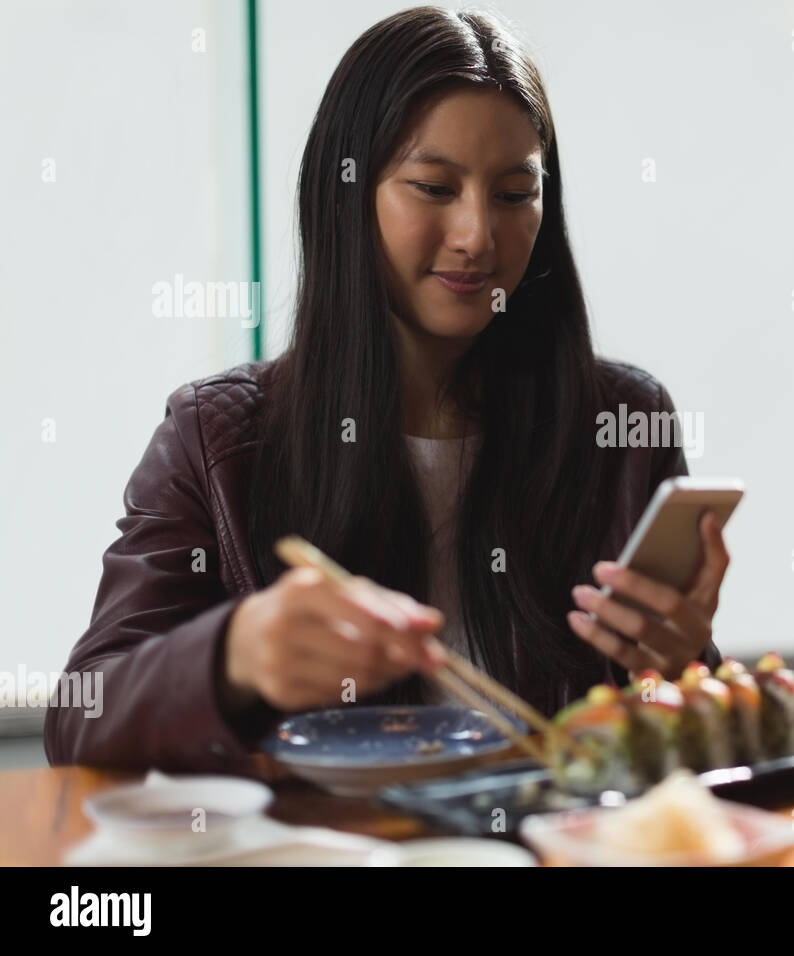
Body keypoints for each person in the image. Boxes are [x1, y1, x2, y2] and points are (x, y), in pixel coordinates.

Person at [44, 6, 730, 775]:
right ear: (346, 194)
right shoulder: (216, 439)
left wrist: (680, 663)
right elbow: (80, 718)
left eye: (513, 194)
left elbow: (684, 737)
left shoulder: (622, 425)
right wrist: (231, 655)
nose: (477, 234)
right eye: (434, 187)